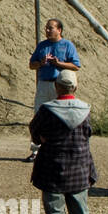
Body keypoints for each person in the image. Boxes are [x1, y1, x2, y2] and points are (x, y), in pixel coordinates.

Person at [28, 69, 98, 214]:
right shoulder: (86, 110)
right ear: (75, 88)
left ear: (57, 87)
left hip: (52, 172)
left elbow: (34, 132)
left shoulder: (48, 110)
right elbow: (88, 134)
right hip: (79, 171)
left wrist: (42, 139)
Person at [26, 18, 81, 161]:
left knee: (61, 117)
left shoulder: (67, 45)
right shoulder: (42, 46)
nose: (47, 30)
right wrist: (41, 63)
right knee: (39, 116)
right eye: (46, 28)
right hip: (44, 84)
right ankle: (35, 152)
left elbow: (76, 66)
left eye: (51, 28)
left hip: (61, 86)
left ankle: (62, 150)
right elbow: (31, 65)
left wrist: (59, 63)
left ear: (59, 30)